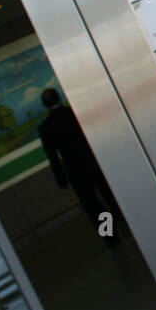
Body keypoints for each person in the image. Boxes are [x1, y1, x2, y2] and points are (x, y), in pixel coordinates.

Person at [38, 87, 125, 242]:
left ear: (45, 105)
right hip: (95, 161)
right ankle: (126, 226)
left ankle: (111, 237)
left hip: (75, 170)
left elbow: (53, 157)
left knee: (93, 205)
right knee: (111, 196)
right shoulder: (76, 113)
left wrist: (61, 179)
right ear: (59, 98)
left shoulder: (45, 128)